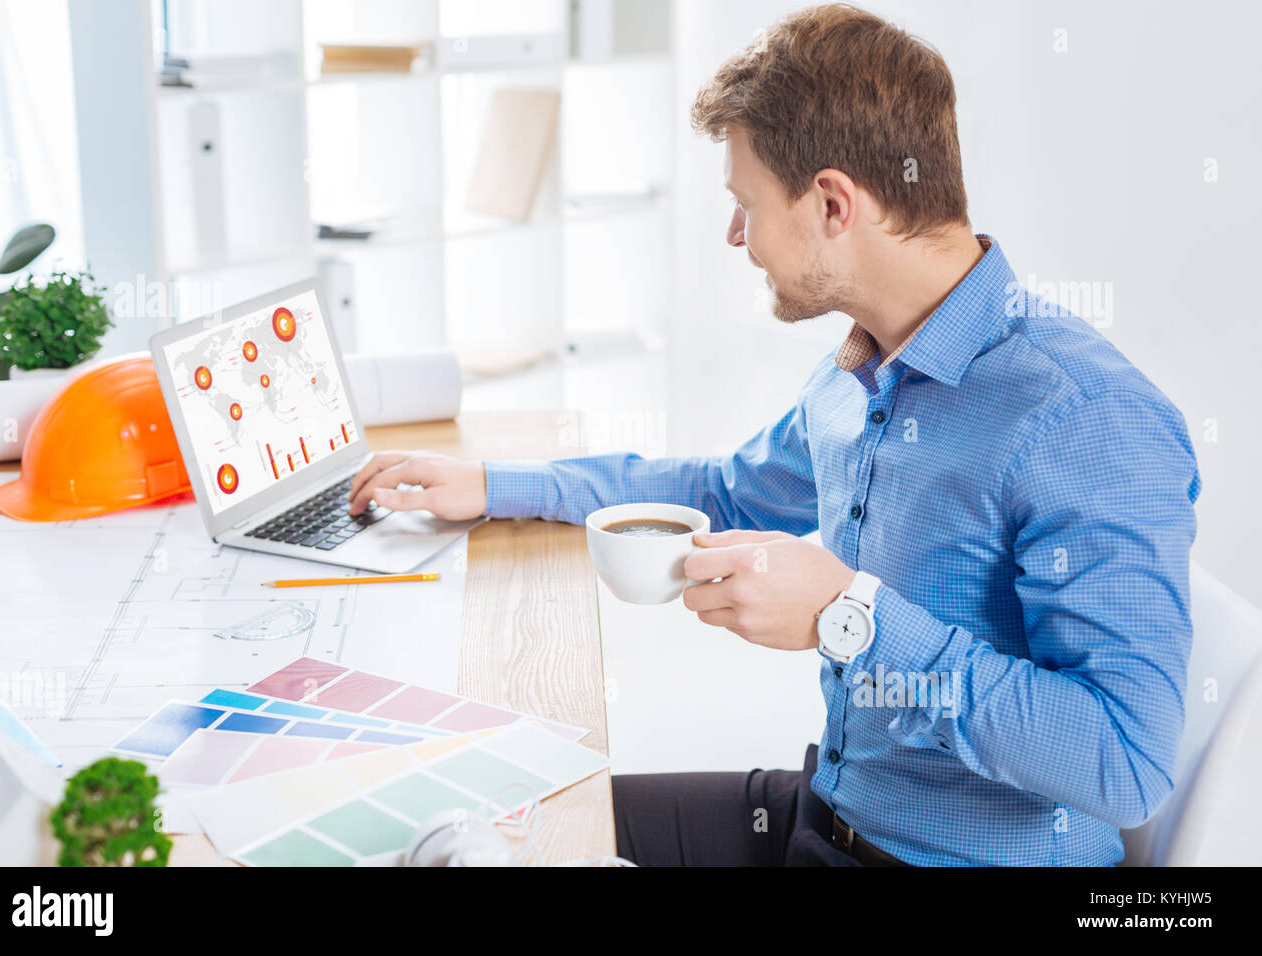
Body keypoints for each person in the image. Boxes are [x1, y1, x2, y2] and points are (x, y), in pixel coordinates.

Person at [347, 3, 1200, 866]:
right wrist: (497, 485)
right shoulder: (860, 371)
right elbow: (726, 489)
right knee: (504, 824)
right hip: (823, 811)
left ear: (833, 202)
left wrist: (850, 617)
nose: (734, 235)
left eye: (744, 204)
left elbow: (1125, 763)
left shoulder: (1085, 419)